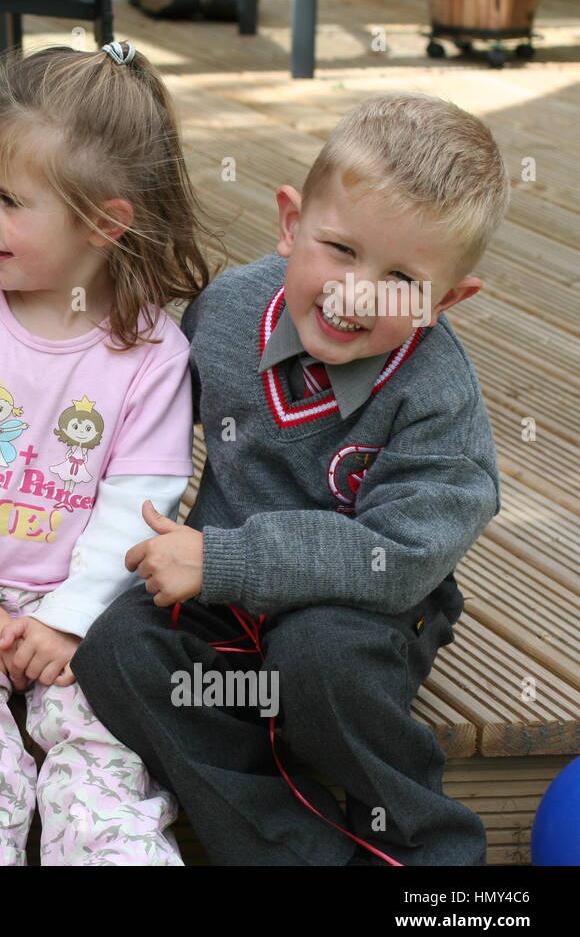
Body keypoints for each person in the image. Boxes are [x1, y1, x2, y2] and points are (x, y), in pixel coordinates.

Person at [73, 92, 510, 865]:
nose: (355, 292)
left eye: (401, 277)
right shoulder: (231, 312)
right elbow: (140, 407)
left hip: (365, 611)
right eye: (339, 249)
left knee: (317, 660)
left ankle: (431, 856)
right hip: (224, 600)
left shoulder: (434, 398)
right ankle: (294, 851)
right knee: (119, 653)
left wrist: (226, 560)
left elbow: (401, 554)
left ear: (446, 301)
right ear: (289, 222)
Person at [0, 42, 208, 865]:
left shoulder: (152, 352)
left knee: (111, 744)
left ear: (104, 221)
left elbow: (141, 500)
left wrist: (67, 617)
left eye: (11, 200)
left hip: (93, 606)